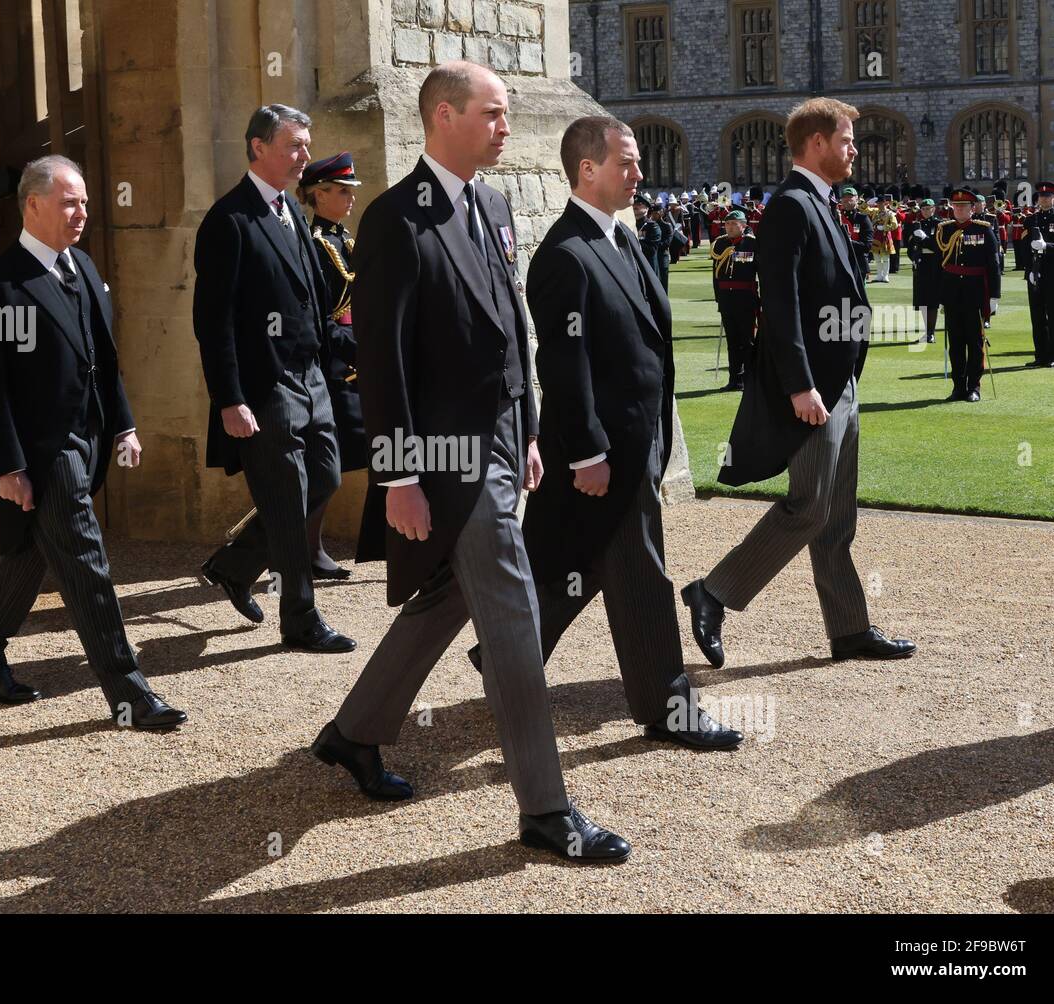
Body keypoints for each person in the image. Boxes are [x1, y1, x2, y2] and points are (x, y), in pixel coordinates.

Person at [312, 61, 631, 863]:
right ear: (443, 115)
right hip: (439, 456)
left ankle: (354, 732)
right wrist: (399, 478)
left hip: (495, 445)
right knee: (515, 614)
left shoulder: (490, 204)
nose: (505, 124)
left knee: (453, 591)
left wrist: (523, 430)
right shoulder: (393, 219)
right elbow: (381, 362)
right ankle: (547, 810)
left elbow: (506, 331)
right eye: (492, 112)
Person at [509, 116, 741, 750]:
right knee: (642, 577)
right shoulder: (564, 255)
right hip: (604, 450)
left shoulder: (621, 239)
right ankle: (669, 708)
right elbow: (563, 363)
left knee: (569, 566)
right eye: (627, 163)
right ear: (588, 169)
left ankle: (503, 660)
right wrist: (586, 451)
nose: (640, 174)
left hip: (637, 443)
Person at [680, 97, 916, 667]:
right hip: (812, 389)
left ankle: (849, 627)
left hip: (840, 383)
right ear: (816, 143)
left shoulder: (821, 201)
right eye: (846, 139)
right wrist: (800, 386)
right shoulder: (791, 204)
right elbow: (779, 306)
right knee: (810, 507)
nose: (854, 148)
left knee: (837, 517)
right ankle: (713, 592)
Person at [0, 155, 186, 730]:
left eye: (84, 201)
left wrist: (124, 424)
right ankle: (130, 696)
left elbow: (103, 360)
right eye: (69, 202)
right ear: (32, 205)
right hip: (43, 452)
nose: (81, 212)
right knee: (87, 565)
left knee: (27, 556)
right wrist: (7, 466)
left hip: (87, 440)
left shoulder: (81, 266)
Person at [193, 105, 357, 653]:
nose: (304, 157)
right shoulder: (229, 221)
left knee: (325, 478)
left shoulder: (289, 208)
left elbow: (313, 298)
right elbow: (211, 322)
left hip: (310, 377)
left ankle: (234, 566)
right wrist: (230, 399)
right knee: (287, 501)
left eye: (307, 146)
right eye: (294, 146)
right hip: (265, 388)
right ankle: (302, 620)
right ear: (258, 147)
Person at [298, 151, 366, 578]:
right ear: (318, 196)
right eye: (342, 192)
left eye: (350, 192)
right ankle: (306, 549)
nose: (350, 199)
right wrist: (359, 347)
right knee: (326, 465)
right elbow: (321, 321)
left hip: (354, 361)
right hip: (335, 366)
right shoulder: (318, 245)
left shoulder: (343, 241)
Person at [937, 186, 1001, 401]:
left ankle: (973, 386)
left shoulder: (984, 229)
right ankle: (958, 386)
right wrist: (939, 296)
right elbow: (939, 265)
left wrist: (994, 296)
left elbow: (993, 265)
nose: (959, 210)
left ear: (972, 209)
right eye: (956, 206)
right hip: (952, 292)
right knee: (955, 342)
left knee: (974, 342)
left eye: (964, 207)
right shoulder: (944, 230)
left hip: (975, 292)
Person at [1017, 179, 1054, 368]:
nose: (1043, 199)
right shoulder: (1031, 220)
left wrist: (1047, 246)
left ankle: (1052, 356)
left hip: (1053, 274)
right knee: (1037, 317)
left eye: (1047, 196)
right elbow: (1024, 248)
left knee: (1053, 317)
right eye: (1041, 196)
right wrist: (1028, 270)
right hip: (1035, 274)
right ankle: (1040, 355)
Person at [709, 207, 759, 390]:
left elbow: (757, 270)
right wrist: (718, 299)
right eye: (727, 224)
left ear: (743, 225)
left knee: (747, 341)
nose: (729, 228)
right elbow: (715, 274)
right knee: (732, 341)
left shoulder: (752, 244)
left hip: (745, 298)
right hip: (727, 299)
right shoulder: (720, 244)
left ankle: (750, 378)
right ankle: (734, 379)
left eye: (733, 224)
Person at [904, 197, 941, 343]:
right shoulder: (916, 225)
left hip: (934, 264)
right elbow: (910, 246)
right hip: (921, 265)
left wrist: (925, 238)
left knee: (932, 300)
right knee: (923, 300)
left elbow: (938, 247)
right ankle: (927, 331)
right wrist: (913, 258)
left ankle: (931, 333)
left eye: (929, 209)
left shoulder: (939, 225)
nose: (926, 211)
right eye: (924, 209)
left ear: (934, 209)